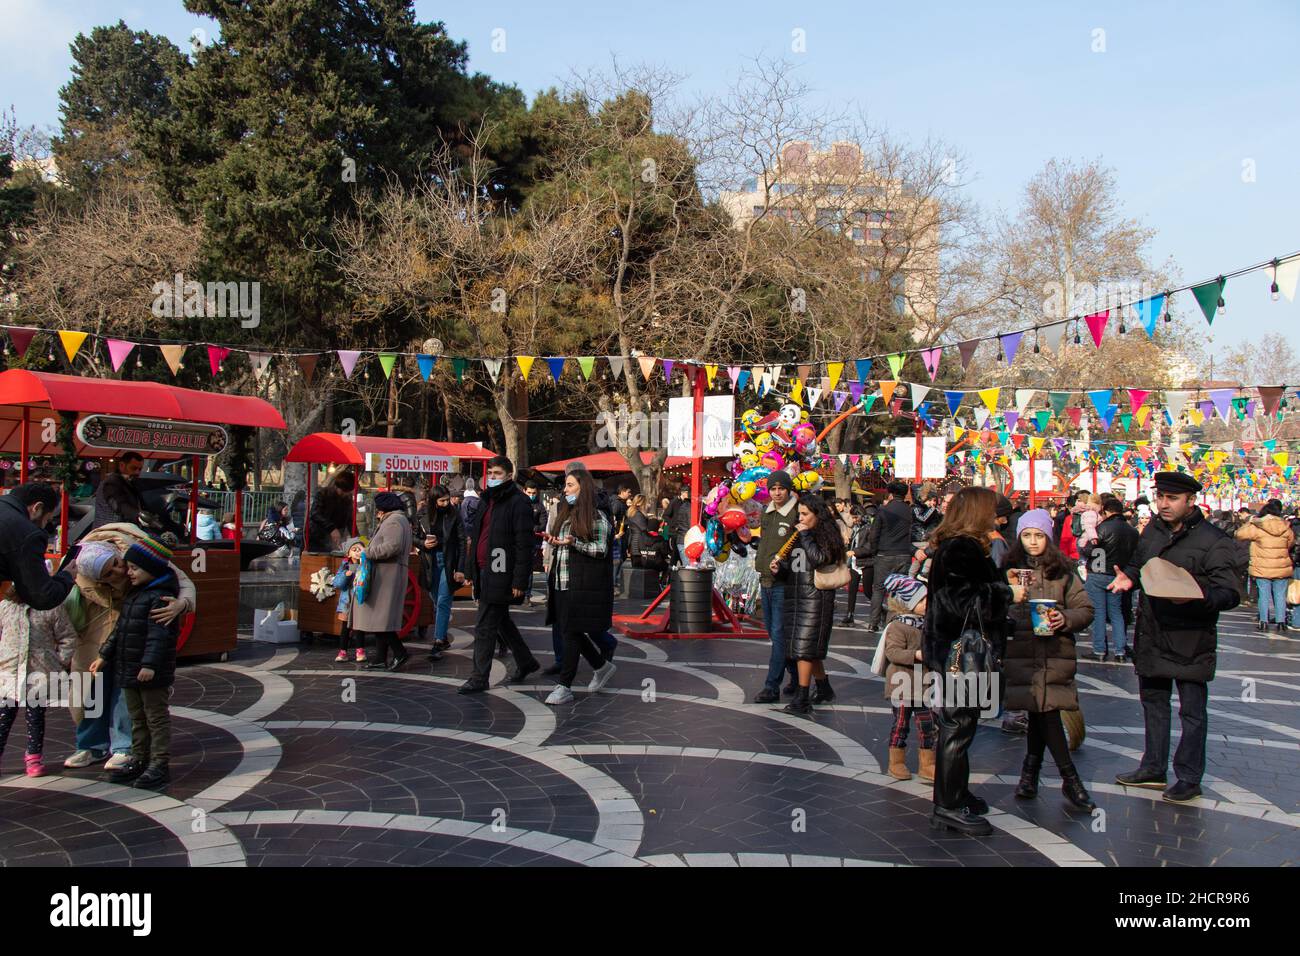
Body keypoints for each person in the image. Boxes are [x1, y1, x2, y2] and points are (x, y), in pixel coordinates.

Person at [1107, 472, 1242, 803]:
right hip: (1152, 632)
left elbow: (1230, 592)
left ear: (1190, 501)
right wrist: (1130, 579)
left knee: (1192, 711)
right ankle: (1153, 767)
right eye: (1160, 497)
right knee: (1153, 703)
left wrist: (1197, 597)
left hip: (1190, 636)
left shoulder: (1213, 540)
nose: (1164, 504)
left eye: (1172, 499)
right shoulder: (1152, 530)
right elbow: (1141, 565)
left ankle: (1189, 776)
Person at [923, 486, 1026, 836]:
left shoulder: (964, 546)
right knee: (957, 727)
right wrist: (1007, 592)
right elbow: (960, 602)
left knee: (963, 726)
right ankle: (947, 805)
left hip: (962, 650)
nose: (999, 517)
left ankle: (956, 792)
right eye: (992, 510)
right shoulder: (961, 548)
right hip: (959, 653)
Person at [61, 528, 194, 771]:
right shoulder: (77, 567)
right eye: (107, 575)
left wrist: (181, 605)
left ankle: (124, 746)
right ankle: (90, 745)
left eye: (115, 565)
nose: (118, 572)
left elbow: (183, 583)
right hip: (96, 637)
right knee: (90, 692)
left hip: (133, 639)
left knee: (124, 693)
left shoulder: (141, 557)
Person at [1001, 509, 1096, 811]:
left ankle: (1052, 777)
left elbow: (1086, 610)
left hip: (1055, 651)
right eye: (1027, 535)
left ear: (1048, 538)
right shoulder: (1009, 568)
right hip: (1021, 650)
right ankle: (1055, 778)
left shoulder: (1064, 571)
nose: (1032, 542)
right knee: (1039, 710)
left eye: (1039, 536)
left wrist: (1064, 618)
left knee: (1046, 710)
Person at [90, 536, 181, 792]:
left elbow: (159, 636)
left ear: (151, 569)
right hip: (129, 668)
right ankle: (139, 757)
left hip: (149, 671)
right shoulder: (135, 595)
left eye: (134, 568)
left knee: (155, 717)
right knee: (137, 717)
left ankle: (159, 763)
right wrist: (104, 655)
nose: (128, 572)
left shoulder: (160, 598)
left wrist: (150, 665)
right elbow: (121, 629)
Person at [460, 456, 540, 694]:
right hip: (484, 570)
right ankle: (526, 661)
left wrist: (519, 580)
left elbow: (524, 545)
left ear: (508, 475)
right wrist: (469, 569)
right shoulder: (486, 500)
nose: (492, 477)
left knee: (485, 625)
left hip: (501, 573)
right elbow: (476, 537)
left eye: (496, 473)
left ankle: (479, 677)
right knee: (500, 621)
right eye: (490, 473)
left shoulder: (519, 502)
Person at [542, 469, 618, 704]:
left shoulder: (596, 516)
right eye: (566, 485)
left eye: (570, 485)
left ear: (583, 488)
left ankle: (565, 685)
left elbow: (601, 549)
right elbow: (564, 543)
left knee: (571, 633)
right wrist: (554, 542)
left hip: (581, 583)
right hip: (561, 581)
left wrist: (575, 543)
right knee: (569, 631)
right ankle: (600, 666)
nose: (565, 490)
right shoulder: (566, 513)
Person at [771, 494, 846, 716]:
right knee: (806, 648)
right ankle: (823, 688)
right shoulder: (799, 537)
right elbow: (796, 565)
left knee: (804, 650)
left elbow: (819, 559)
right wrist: (780, 569)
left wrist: (805, 536)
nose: (801, 518)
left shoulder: (825, 536)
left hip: (816, 598)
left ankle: (802, 697)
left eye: (805, 514)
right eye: (799, 514)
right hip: (796, 595)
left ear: (817, 515)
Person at [0, 579, 77, 777]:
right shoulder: (6, 607)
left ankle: (33, 756)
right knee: (3, 717)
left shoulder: (51, 609)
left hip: (39, 673)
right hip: (10, 673)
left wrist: (59, 661)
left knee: (35, 717)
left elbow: (68, 636)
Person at [880, 573, 935, 783]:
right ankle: (896, 762)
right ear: (907, 603)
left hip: (924, 684)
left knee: (928, 725)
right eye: (921, 600)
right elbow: (892, 653)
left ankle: (927, 764)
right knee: (901, 723)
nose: (926, 603)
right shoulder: (897, 625)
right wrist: (916, 655)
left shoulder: (928, 624)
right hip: (901, 684)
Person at [752, 470, 799, 703]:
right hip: (765, 580)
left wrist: (785, 566)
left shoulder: (796, 513)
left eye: (781, 488)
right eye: (773, 489)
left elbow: (800, 550)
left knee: (779, 635)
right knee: (774, 633)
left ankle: (772, 686)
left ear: (788, 489)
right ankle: (800, 677)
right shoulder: (767, 512)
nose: (777, 493)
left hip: (784, 583)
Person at [356, 492, 413, 672]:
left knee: (381, 619)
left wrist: (367, 553)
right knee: (380, 619)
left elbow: (392, 546)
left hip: (387, 575)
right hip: (388, 573)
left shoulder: (394, 521)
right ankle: (380, 658)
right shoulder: (398, 519)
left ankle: (400, 652)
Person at [0, 482, 75, 611]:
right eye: (47, 520)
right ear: (37, 508)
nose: (44, 526)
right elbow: (42, 596)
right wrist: (67, 575)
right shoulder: (27, 533)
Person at [1083, 498, 1139, 662]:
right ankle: (1120, 651)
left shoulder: (1102, 528)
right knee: (1117, 613)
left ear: (1106, 511)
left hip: (1097, 573)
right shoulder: (1132, 531)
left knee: (1098, 612)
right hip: (1118, 575)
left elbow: (1088, 549)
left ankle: (1099, 650)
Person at [1235, 499, 1295, 633]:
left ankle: (1263, 621)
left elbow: (1239, 534)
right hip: (1281, 565)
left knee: (1264, 594)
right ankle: (1281, 622)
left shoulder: (1258, 526)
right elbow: (1290, 543)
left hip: (1262, 566)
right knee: (1280, 594)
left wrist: (1250, 521)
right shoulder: (1285, 526)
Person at [418, 486, 463, 657]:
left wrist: (460, 568)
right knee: (436, 600)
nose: (446, 503)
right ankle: (442, 637)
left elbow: (461, 541)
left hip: (448, 560)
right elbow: (415, 535)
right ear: (434, 501)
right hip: (430, 561)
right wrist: (423, 544)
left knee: (444, 600)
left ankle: (437, 641)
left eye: (447, 499)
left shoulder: (454, 514)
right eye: (442, 500)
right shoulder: (423, 514)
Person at [866, 481, 914, 632]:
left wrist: (874, 551)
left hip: (884, 554)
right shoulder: (909, 511)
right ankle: (893, 622)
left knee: (879, 589)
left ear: (891, 494)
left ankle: (873, 623)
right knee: (899, 590)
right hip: (903, 554)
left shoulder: (883, 510)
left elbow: (873, 535)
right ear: (904, 494)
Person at [332, 538, 367, 663]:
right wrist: (345, 576)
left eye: (360, 549)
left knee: (359, 628)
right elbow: (337, 583)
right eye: (354, 549)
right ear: (348, 553)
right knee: (345, 628)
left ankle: (360, 650)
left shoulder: (366, 565)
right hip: (347, 602)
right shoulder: (345, 566)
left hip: (359, 601)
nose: (357, 552)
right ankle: (343, 651)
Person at [91, 453, 145, 530]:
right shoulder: (112, 481)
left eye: (140, 469)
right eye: (133, 468)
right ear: (122, 465)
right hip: (109, 533)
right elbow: (119, 505)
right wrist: (139, 515)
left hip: (120, 531)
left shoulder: (129, 482)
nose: (137, 472)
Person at [308, 472, 355, 552]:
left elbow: (350, 519)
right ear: (337, 487)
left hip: (336, 540)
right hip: (317, 538)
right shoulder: (322, 494)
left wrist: (356, 537)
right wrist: (332, 528)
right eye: (343, 491)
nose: (345, 494)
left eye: (347, 492)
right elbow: (315, 514)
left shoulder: (347, 498)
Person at [665, 485, 692, 566]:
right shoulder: (674, 502)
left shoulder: (688, 503)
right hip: (675, 532)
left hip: (682, 532)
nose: (689, 494)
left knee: (678, 555)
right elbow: (665, 515)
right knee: (675, 553)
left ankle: (674, 572)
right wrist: (674, 526)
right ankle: (671, 572)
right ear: (683, 493)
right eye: (688, 493)